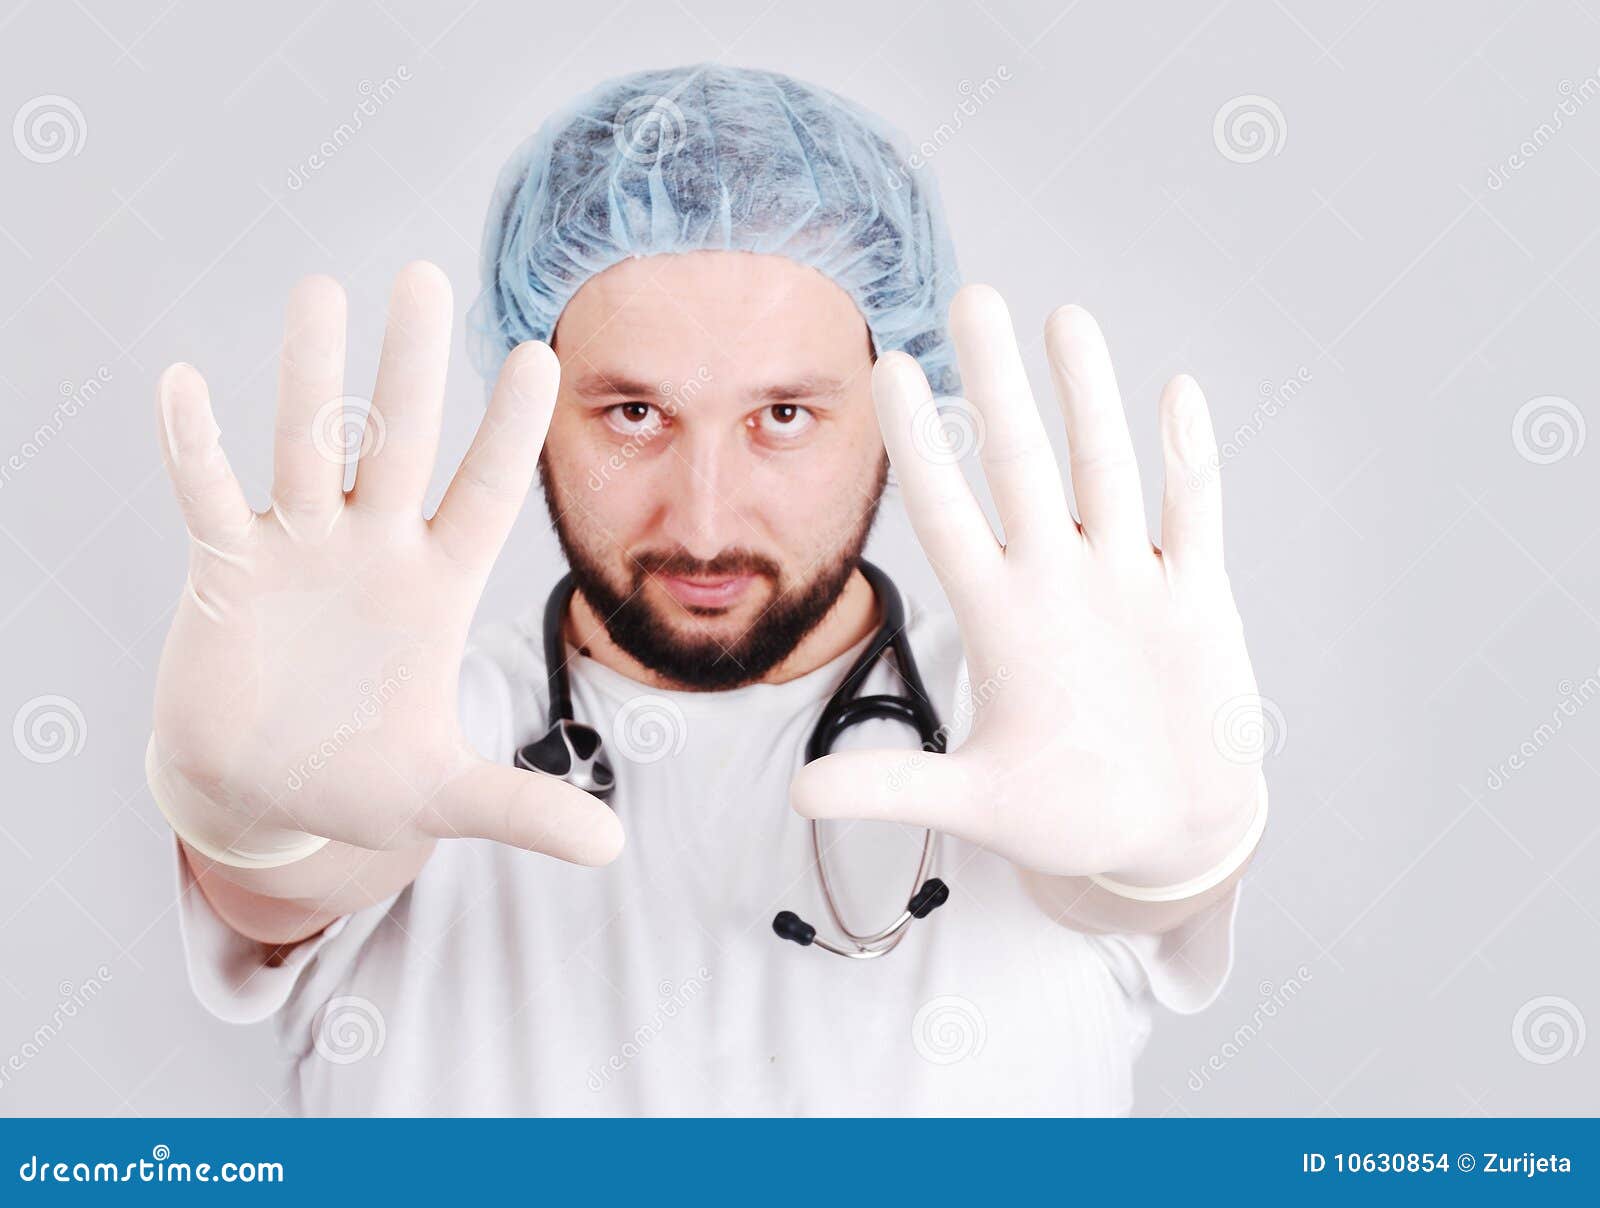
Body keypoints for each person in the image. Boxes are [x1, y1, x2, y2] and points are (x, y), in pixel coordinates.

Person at [148, 63, 1267, 1115]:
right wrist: (263, 830)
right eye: (633, 413)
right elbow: (287, 893)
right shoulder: (401, 727)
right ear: (527, 401)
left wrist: (1179, 856)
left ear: (896, 404)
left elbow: (1126, 893)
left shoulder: (1055, 722)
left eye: (783, 415)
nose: (705, 517)